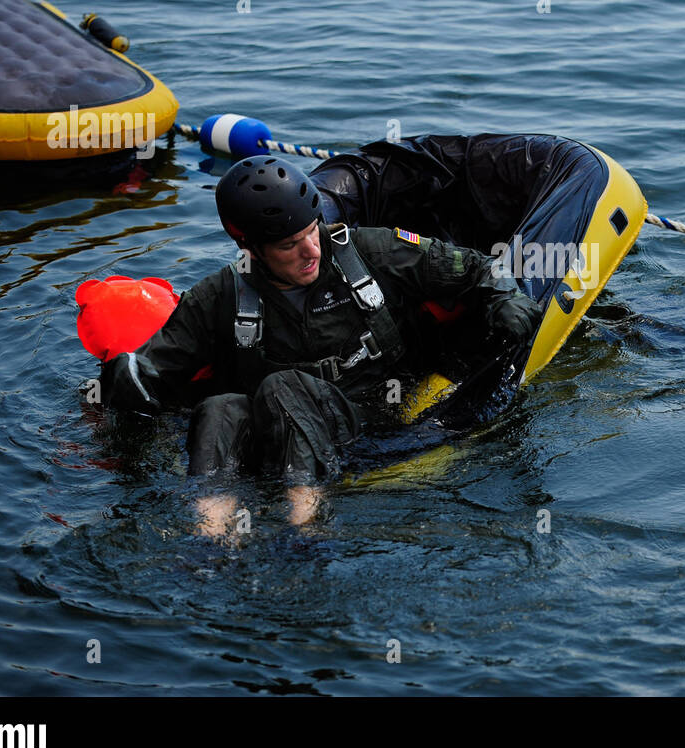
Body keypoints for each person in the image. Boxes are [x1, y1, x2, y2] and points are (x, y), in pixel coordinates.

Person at [100, 156, 542, 521]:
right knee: (219, 408)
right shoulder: (218, 295)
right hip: (270, 439)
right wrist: (123, 375)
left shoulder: (371, 252)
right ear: (252, 247)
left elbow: (477, 267)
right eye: (290, 245)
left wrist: (501, 296)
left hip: (367, 423)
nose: (311, 250)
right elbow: (158, 370)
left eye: (312, 230)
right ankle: (211, 544)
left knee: (281, 385)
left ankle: (305, 534)